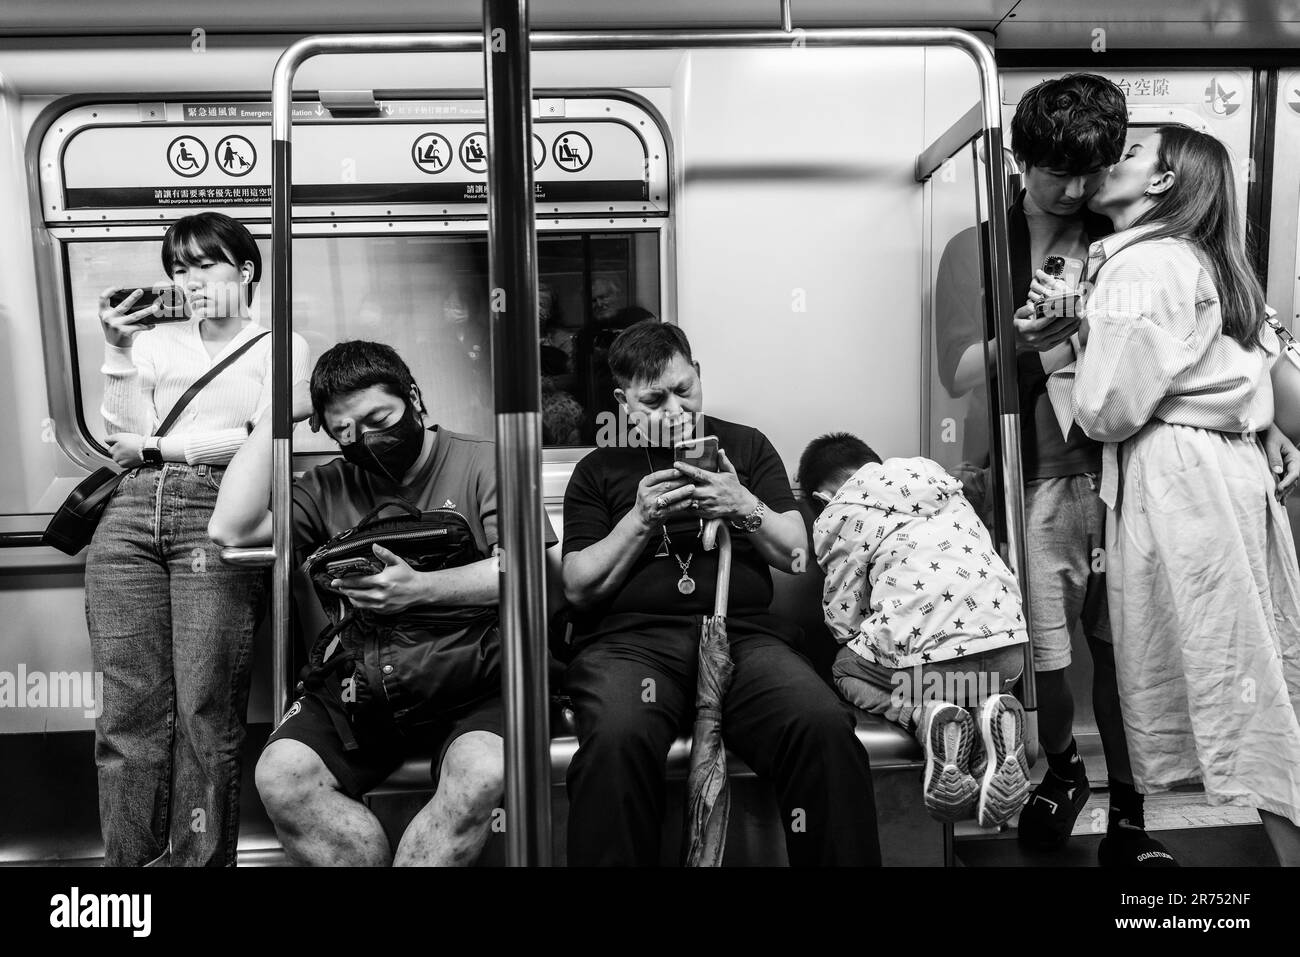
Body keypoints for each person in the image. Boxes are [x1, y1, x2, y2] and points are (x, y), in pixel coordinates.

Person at [934, 74, 1175, 865]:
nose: (1074, 191)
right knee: (1045, 651)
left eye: (1090, 173)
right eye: (1056, 173)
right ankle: (1065, 768)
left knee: (1122, 647)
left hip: (1124, 466)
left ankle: (1132, 810)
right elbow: (960, 374)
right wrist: (1035, 337)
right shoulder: (976, 245)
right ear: (1019, 158)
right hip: (1025, 468)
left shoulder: (1126, 231)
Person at [1048, 124, 1300, 866]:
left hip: (1184, 484)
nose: (1107, 163)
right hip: (1221, 472)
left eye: (1129, 154)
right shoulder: (1190, 258)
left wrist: (1067, 336)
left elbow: (1104, 409)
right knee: (1256, 671)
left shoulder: (1143, 264)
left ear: (1162, 183)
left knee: (1239, 676)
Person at [209, 340, 560, 866]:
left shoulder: (486, 462)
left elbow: (532, 575)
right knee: (282, 775)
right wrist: (272, 420)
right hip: (363, 677)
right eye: (345, 432)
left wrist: (421, 588)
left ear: (414, 397)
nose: (367, 441)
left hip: (478, 674)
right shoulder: (328, 484)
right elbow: (230, 531)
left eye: (379, 418)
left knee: (483, 770)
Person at [561, 320, 880, 866]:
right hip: (633, 647)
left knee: (821, 726)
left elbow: (797, 555)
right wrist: (638, 520)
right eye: (653, 399)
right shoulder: (598, 468)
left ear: (699, 375)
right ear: (622, 402)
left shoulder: (747, 447)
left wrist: (742, 505)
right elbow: (578, 587)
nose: (676, 409)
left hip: (743, 639)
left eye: (685, 390)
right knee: (615, 740)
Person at [86, 211, 311, 866]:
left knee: (205, 711)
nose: (190, 279)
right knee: (126, 720)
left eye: (205, 262)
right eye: (179, 268)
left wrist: (161, 443)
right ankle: (128, 880)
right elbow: (119, 444)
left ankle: (196, 865)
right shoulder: (155, 344)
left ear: (244, 270)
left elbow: (265, 437)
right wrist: (118, 351)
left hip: (217, 509)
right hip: (130, 514)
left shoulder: (280, 344)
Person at [798, 432, 1030, 826]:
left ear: (820, 498)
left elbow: (843, 620)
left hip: (930, 674)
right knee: (957, 662)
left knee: (844, 667)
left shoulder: (837, 513)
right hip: (1008, 659)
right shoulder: (936, 479)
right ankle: (989, 713)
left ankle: (927, 716)